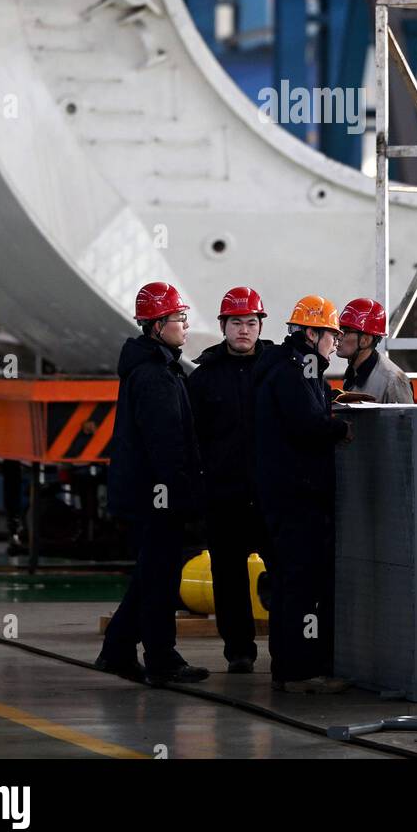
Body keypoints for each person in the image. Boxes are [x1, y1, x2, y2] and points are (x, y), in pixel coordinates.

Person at [96, 281, 209, 686]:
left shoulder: (153, 366)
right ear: (157, 324)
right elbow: (167, 445)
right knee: (160, 581)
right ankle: (163, 660)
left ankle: (117, 650)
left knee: (150, 574)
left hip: (145, 495)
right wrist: (183, 494)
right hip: (156, 498)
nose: (185, 325)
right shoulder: (155, 376)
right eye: (179, 318)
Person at [254, 294, 352, 694]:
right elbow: (305, 424)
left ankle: (289, 668)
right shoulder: (294, 371)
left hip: (285, 496)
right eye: (331, 334)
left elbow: (310, 407)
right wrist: (341, 428)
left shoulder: (291, 367)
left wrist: (337, 402)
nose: (335, 342)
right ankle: (299, 672)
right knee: (301, 586)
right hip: (298, 499)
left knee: (291, 584)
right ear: (311, 333)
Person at [188, 287, 273, 674]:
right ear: (223, 326)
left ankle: (289, 647)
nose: (244, 329)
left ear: (260, 326)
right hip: (224, 496)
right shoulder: (204, 378)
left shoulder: (278, 369)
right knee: (228, 576)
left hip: (272, 493)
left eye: (251, 322)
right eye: (236, 322)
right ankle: (239, 651)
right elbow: (193, 438)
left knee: (285, 571)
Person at [332, 298, 414, 403]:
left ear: (365, 340)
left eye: (346, 331)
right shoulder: (353, 373)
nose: (338, 337)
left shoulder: (393, 381)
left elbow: (407, 419)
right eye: (339, 330)